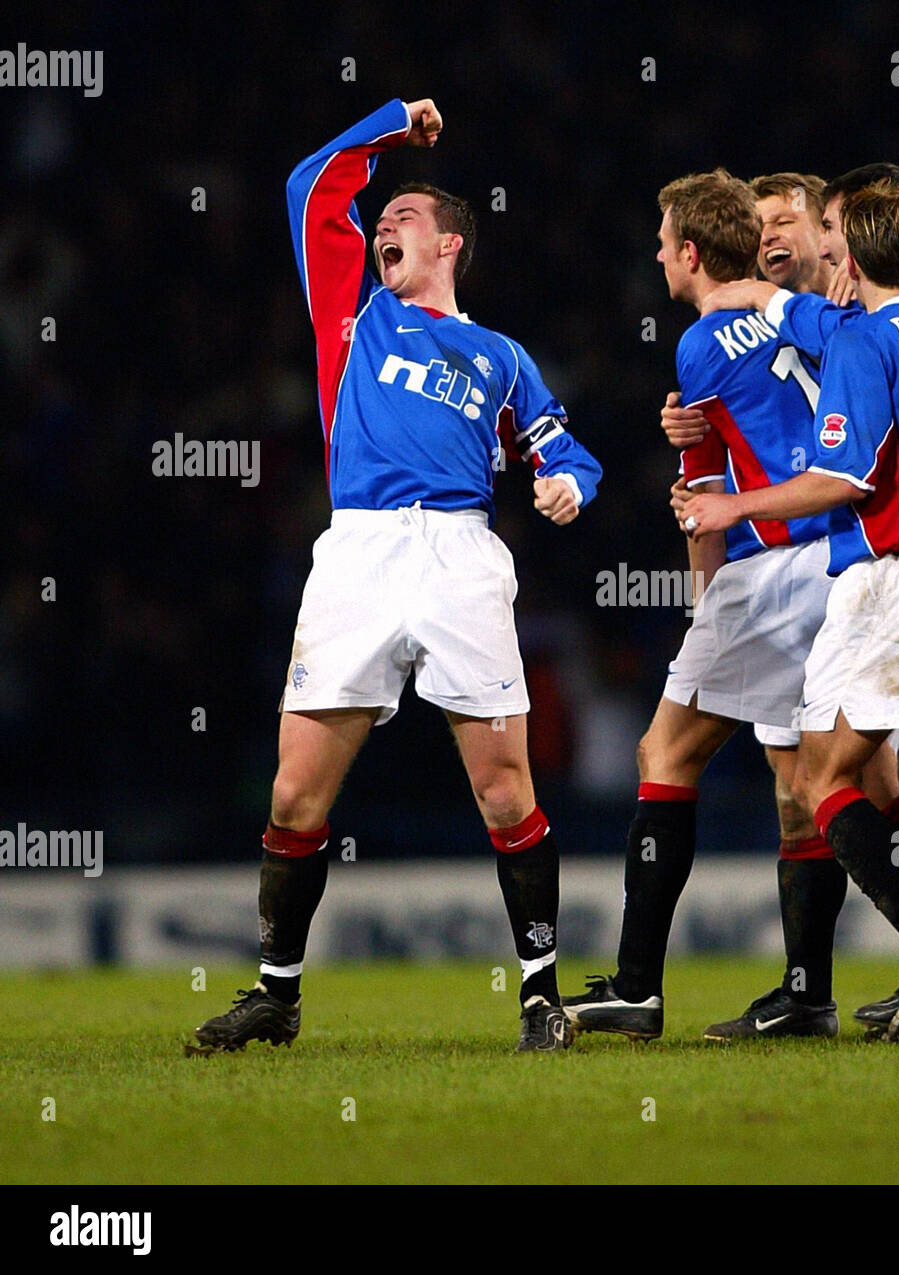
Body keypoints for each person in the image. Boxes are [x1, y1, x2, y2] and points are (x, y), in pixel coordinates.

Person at [193, 97, 601, 1056]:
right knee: (296, 795)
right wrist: (386, 129)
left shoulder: (501, 358)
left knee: (506, 790)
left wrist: (568, 486)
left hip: (461, 555)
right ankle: (277, 997)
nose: (384, 225)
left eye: (405, 218)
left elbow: (563, 446)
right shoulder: (353, 316)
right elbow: (310, 186)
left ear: (450, 242)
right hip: (361, 552)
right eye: (382, 221)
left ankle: (539, 996)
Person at [679, 185, 899, 1041]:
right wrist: (770, 296)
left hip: (897, 574)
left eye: (830, 234)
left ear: (857, 259)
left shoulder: (867, 342)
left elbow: (845, 476)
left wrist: (732, 506)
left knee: (821, 777)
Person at [562, 170, 842, 1042]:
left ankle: (639, 986)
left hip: (770, 568)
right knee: (803, 787)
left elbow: (705, 496)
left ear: (690, 254)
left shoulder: (703, 344)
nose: (654, 255)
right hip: (851, 560)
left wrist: (704, 606)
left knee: (667, 749)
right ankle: (811, 993)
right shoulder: (816, 319)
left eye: (662, 241)